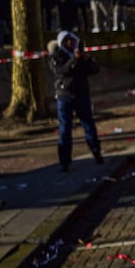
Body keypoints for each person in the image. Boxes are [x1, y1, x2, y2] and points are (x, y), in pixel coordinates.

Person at [51, 31, 103, 172]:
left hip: (81, 94)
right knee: (65, 129)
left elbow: (94, 70)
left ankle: (96, 152)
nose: (70, 43)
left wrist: (88, 60)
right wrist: (74, 59)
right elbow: (61, 71)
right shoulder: (57, 56)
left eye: (72, 40)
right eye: (67, 41)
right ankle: (64, 161)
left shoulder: (79, 55)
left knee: (89, 124)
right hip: (65, 95)